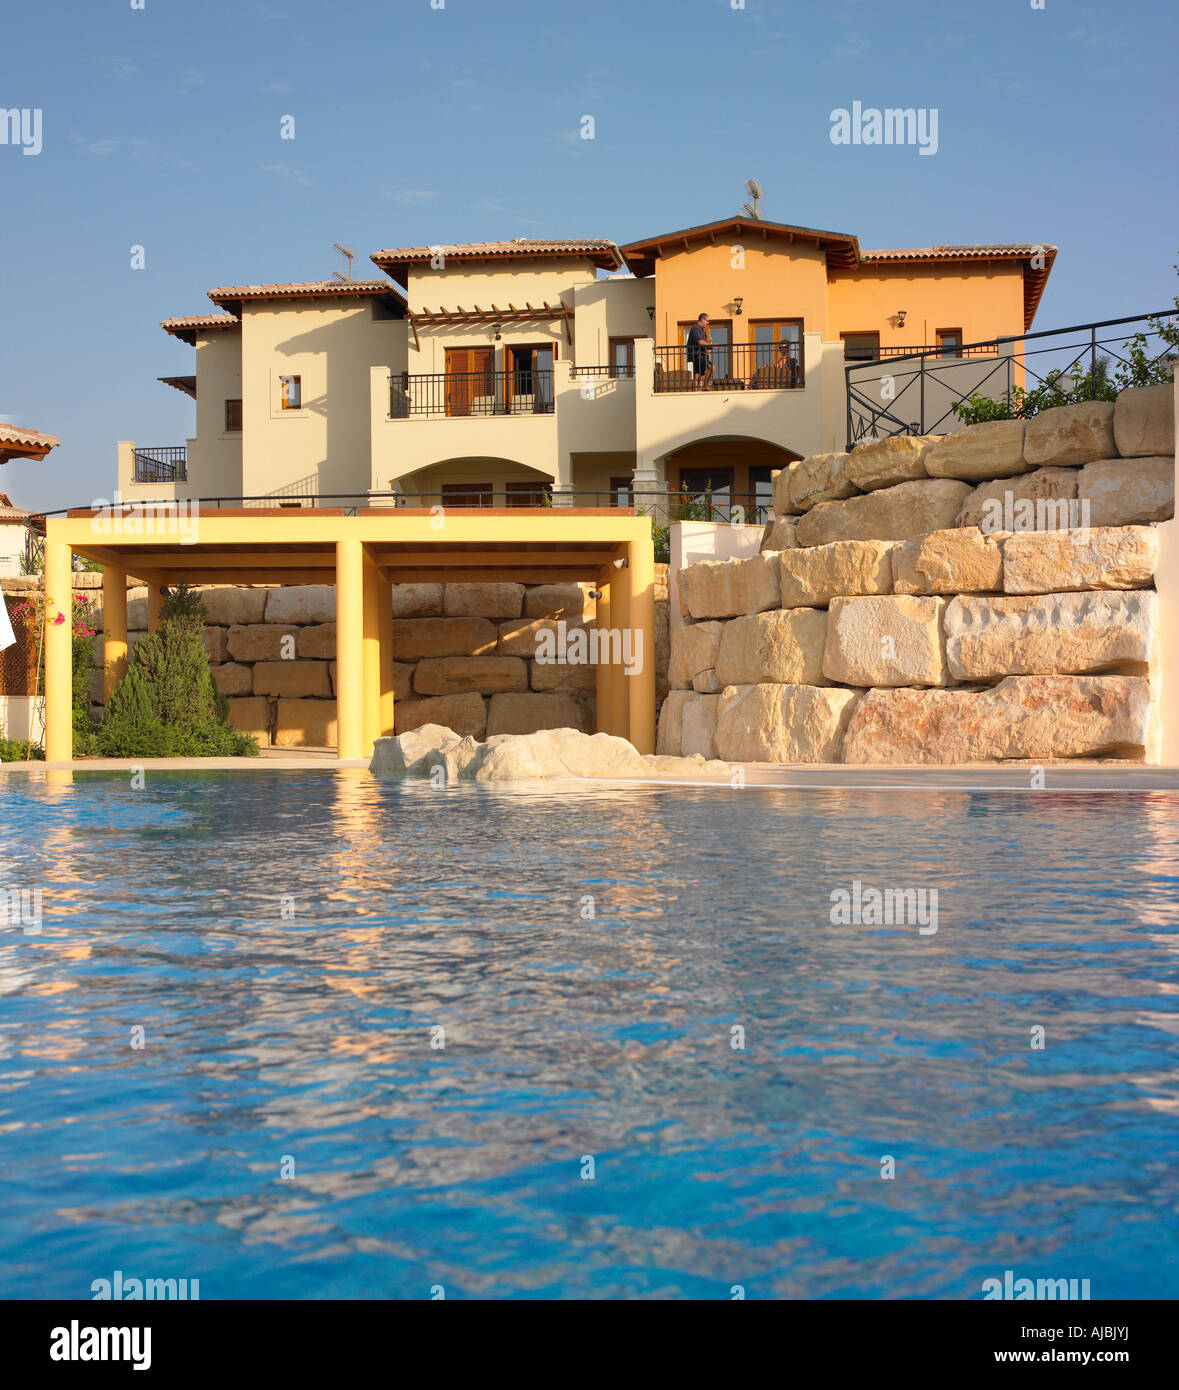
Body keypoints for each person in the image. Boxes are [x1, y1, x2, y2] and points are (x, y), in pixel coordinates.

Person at [685, 313, 713, 390]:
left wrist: (709, 346)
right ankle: (705, 386)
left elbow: (703, 343)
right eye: (707, 321)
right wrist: (711, 345)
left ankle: (695, 389)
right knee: (711, 367)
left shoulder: (700, 330)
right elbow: (700, 342)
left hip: (698, 354)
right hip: (698, 354)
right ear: (702, 319)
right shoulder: (696, 328)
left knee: (697, 373)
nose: (708, 323)